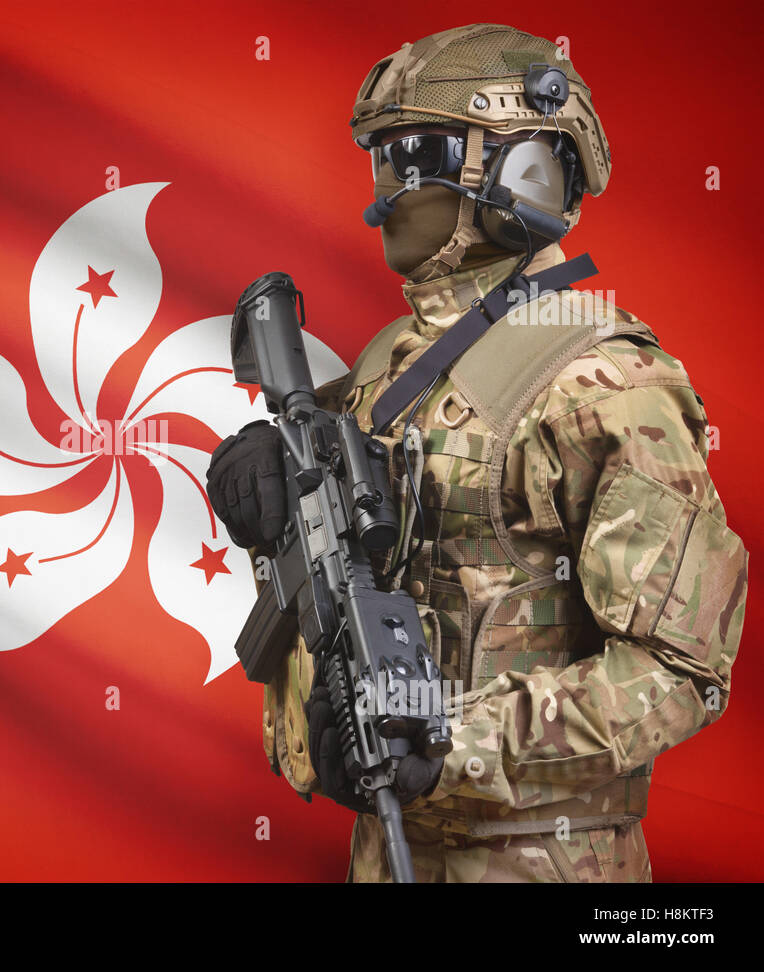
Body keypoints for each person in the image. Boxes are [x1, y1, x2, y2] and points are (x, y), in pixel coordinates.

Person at [206, 23, 748, 882]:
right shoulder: (395, 357)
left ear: (514, 171)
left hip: (545, 864)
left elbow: (678, 670)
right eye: (382, 155)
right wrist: (264, 481)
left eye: (412, 151)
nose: (386, 184)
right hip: (387, 852)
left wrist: (451, 740)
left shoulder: (606, 380)